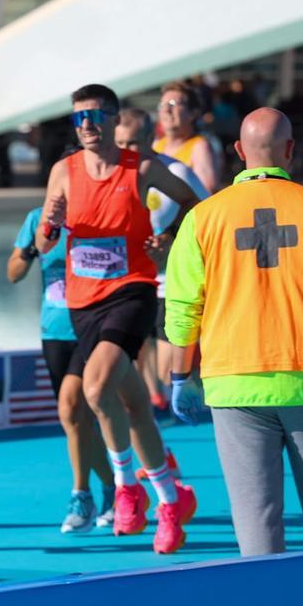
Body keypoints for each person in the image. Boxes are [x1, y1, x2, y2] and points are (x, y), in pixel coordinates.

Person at [37, 84, 201, 555]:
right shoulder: (63, 173)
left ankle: (127, 486)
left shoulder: (143, 168)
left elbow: (195, 206)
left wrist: (166, 236)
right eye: (77, 118)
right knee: (130, 405)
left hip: (132, 291)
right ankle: (171, 499)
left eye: (94, 115)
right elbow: (45, 243)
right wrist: (51, 222)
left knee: (93, 389)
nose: (85, 125)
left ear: (112, 119)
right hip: (83, 301)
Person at [166, 108, 303, 556]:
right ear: (291, 149)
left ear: (238, 151)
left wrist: (179, 378)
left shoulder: (203, 218)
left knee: (257, 529)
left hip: (233, 385)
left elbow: (183, 309)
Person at [8, 204, 115, 534]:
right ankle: (114, 488)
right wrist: (34, 245)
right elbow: (13, 273)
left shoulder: (99, 215)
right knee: (76, 420)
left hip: (92, 327)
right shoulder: (37, 219)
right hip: (53, 330)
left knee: (70, 406)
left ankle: (81, 495)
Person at [115, 108, 209, 411]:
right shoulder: (112, 174)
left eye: (132, 143)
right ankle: (154, 437)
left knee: (168, 372)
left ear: (149, 139)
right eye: (119, 143)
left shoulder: (175, 172)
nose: (125, 151)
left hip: (170, 283)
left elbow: (208, 216)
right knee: (130, 364)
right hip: (129, 283)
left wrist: (170, 238)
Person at [154, 83, 219, 194]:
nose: (166, 110)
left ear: (193, 113)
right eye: (162, 105)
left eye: (172, 104)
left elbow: (206, 193)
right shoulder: (156, 145)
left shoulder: (199, 147)